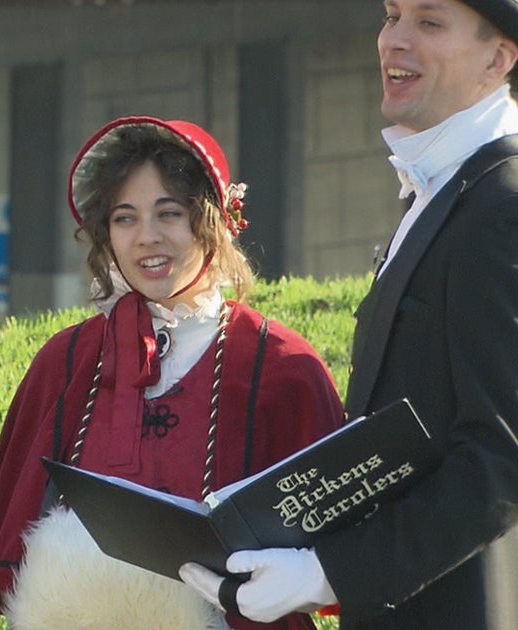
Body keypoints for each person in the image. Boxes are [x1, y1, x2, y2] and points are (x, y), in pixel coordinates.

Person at [180, 0, 518, 627]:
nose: (396, 40)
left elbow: (502, 459)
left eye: (430, 21)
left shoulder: (501, 206)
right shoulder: (451, 188)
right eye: (392, 15)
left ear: (497, 59)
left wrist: (330, 572)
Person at [0, 116, 343, 630]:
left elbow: (337, 546)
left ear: (213, 221)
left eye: (170, 213)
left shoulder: (279, 366)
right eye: (125, 218)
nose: (147, 238)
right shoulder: (65, 362)